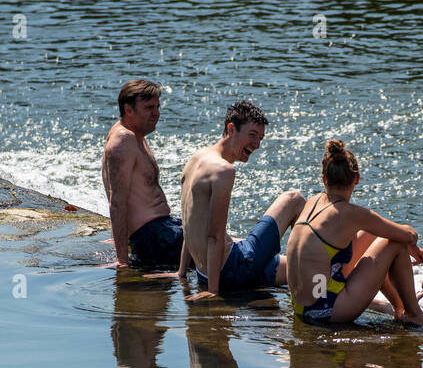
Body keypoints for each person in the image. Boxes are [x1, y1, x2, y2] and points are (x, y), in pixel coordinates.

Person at [286, 140, 423, 328]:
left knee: (371, 235)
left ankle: (399, 308)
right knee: (395, 243)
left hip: (301, 306)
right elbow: (409, 235)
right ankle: (415, 315)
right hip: (325, 311)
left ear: (324, 178)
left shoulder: (312, 202)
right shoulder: (350, 214)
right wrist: (411, 245)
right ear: (357, 178)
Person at [179, 101, 304, 297]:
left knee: (296, 269)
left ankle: (312, 268)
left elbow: (189, 223)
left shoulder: (197, 158)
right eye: (252, 135)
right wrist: (213, 292)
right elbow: (214, 236)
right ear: (231, 129)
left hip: (205, 272)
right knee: (294, 198)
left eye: (261, 139)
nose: (257, 145)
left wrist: (181, 273)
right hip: (232, 269)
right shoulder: (223, 170)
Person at [101, 80, 184, 270]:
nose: (156, 114)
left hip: (163, 230)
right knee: (224, 249)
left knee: (218, 236)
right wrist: (122, 259)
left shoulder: (134, 134)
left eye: (157, 107)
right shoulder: (123, 139)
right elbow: (117, 201)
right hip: (154, 239)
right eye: (148, 108)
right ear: (128, 109)